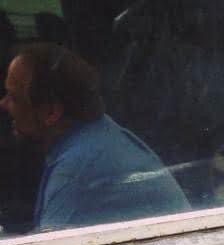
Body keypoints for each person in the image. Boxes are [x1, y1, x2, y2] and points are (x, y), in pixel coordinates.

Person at [0, 43, 188, 232]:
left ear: (51, 112)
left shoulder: (77, 171)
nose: (4, 104)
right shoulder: (97, 133)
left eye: (14, 97)